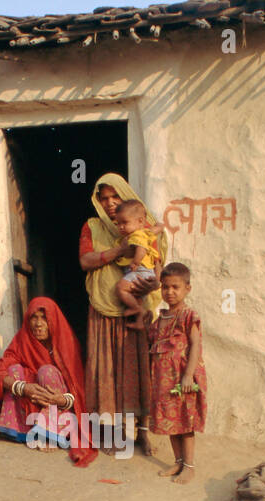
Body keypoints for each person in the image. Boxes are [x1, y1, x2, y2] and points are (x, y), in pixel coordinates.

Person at [79, 173, 166, 456]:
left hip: (136, 308)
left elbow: (158, 261)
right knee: (107, 370)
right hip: (104, 307)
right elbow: (85, 260)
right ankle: (113, 433)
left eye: (114, 196)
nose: (109, 203)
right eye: (103, 198)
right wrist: (119, 250)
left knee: (139, 370)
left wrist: (152, 285)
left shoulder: (145, 226)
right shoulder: (93, 226)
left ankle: (142, 433)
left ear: (125, 193)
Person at [0, 296, 98, 467]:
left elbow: (78, 388)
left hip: (60, 405)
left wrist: (62, 400)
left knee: (46, 371)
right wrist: (23, 387)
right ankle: (21, 430)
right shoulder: (22, 341)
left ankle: (53, 431)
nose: (38, 324)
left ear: (53, 320)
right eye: (34, 317)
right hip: (33, 398)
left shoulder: (67, 344)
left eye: (44, 317)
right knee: (13, 370)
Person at [148, 263, 206, 483]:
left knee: (185, 421)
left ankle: (189, 466)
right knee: (172, 422)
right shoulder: (161, 318)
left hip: (183, 378)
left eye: (175, 287)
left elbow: (195, 345)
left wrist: (188, 375)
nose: (169, 292)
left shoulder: (189, 315)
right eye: (165, 287)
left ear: (187, 289)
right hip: (164, 380)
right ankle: (178, 461)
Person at [111, 199, 162, 327]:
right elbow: (155, 230)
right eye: (118, 224)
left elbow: (141, 249)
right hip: (146, 274)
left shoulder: (136, 236)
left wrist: (135, 261)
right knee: (138, 299)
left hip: (140, 270)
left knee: (120, 288)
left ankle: (136, 309)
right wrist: (160, 226)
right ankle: (140, 320)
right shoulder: (145, 233)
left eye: (125, 223)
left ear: (140, 221)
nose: (120, 227)